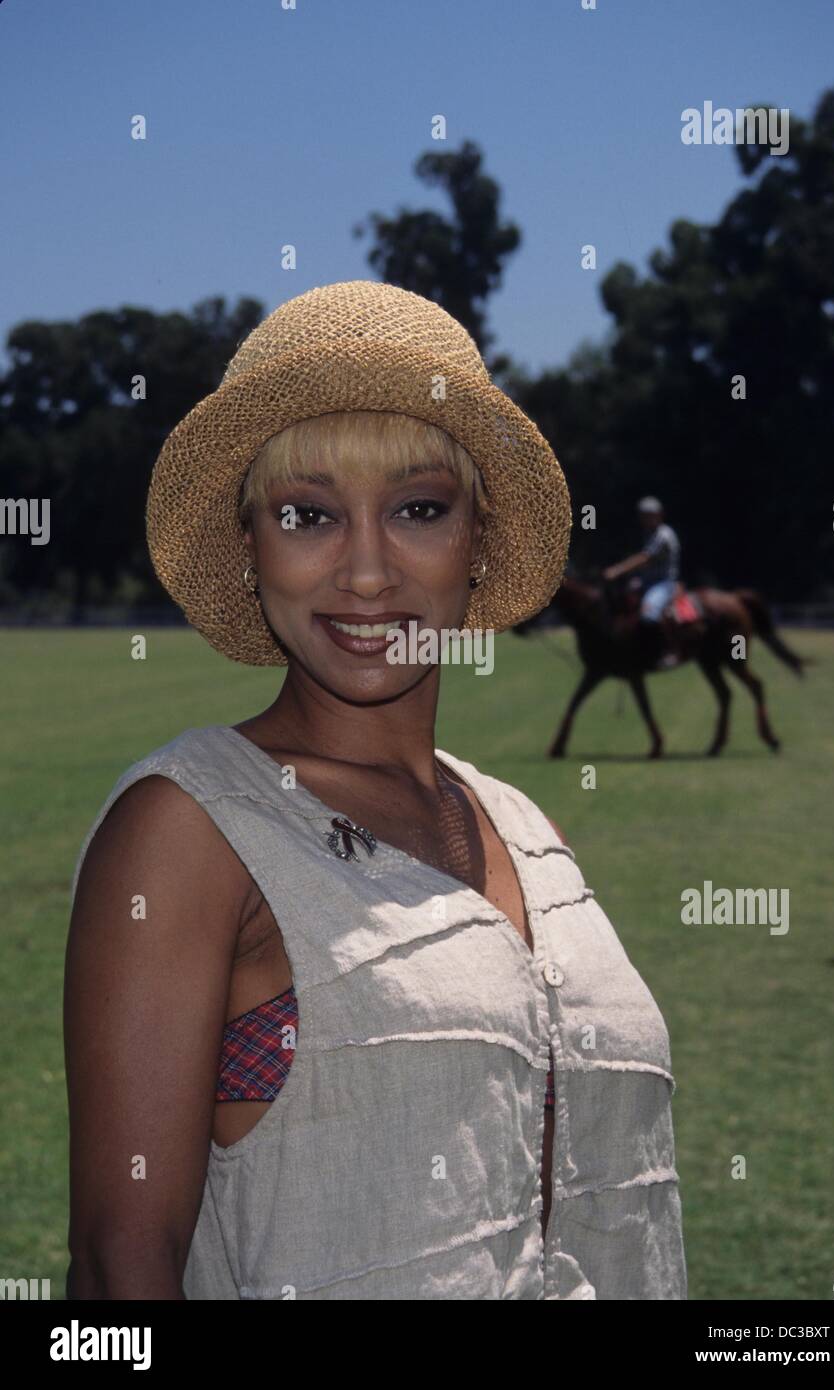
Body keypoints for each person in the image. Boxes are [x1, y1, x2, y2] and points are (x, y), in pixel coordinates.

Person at [64, 280, 686, 1301]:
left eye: (418, 509)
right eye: (307, 513)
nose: (364, 571)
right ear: (249, 543)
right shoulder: (190, 829)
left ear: (478, 538)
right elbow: (116, 1268)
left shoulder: (527, 829)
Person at [603, 497, 685, 668]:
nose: (645, 519)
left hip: (664, 583)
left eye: (649, 515)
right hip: (648, 581)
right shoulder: (649, 534)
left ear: (659, 515)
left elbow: (645, 558)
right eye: (643, 516)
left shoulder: (664, 535)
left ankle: (669, 650)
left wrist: (618, 570)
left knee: (649, 613)